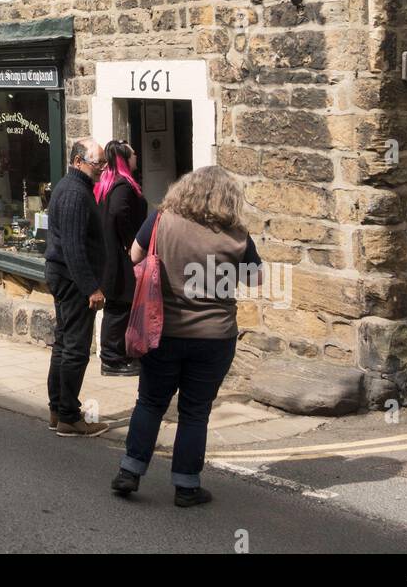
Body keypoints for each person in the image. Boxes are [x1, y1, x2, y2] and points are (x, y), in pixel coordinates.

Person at [110, 165, 263, 508]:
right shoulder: (237, 235)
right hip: (214, 336)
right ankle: (186, 487)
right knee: (195, 411)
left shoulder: (161, 220)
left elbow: (133, 257)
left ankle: (130, 471)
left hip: (162, 329)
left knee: (150, 402)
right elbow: (256, 281)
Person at [43, 139, 111, 438]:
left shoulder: (77, 188)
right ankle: (69, 416)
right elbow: (73, 248)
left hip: (66, 277)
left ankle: (59, 410)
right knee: (75, 348)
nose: (102, 168)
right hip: (72, 281)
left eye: (104, 163)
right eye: (97, 163)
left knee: (63, 344)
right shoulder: (74, 193)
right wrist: (91, 288)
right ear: (77, 161)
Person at [96, 140, 148, 376]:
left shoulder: (108, 183)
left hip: (110, 255)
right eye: (134, 153)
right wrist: (131, 242)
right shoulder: (123, 186)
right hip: (119, 257)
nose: (137, 156)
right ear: (125, 158)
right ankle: (111, 359)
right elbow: (119, 212)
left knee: (117, 307)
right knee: (119, 308)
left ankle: (116, 355)